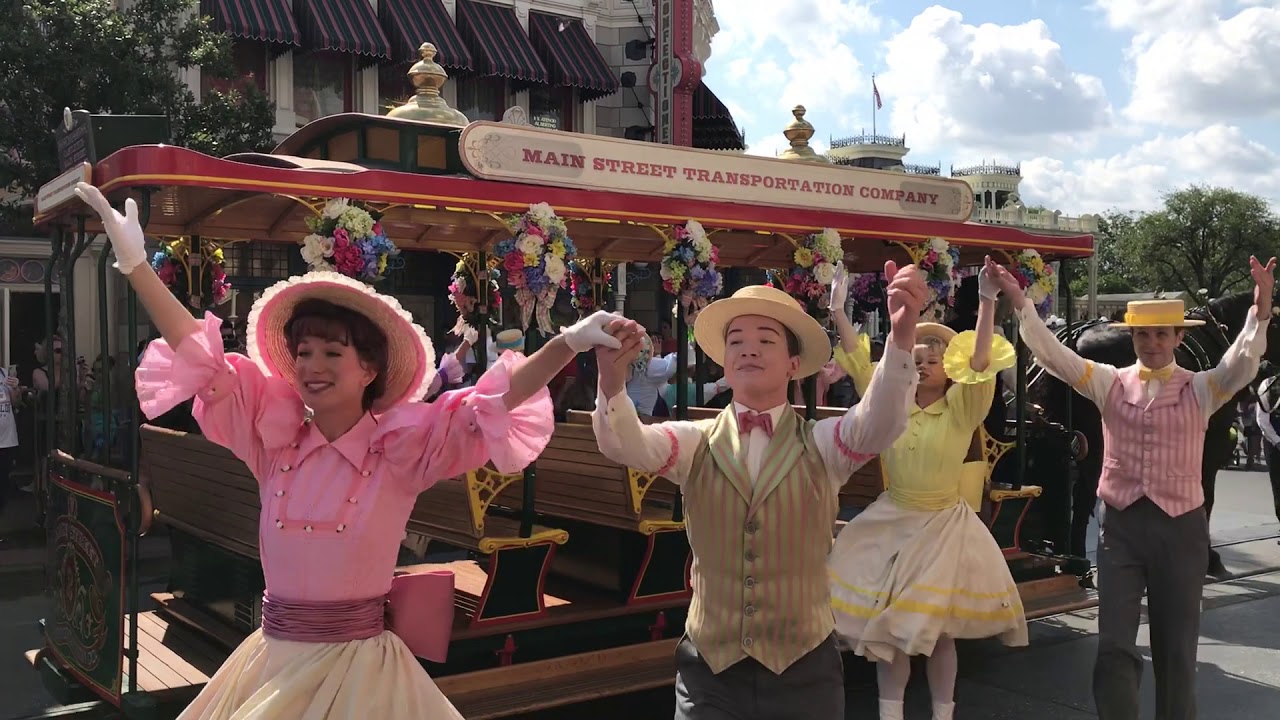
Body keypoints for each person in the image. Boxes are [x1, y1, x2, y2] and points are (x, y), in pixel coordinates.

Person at [74, 181, 626, 720]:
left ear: (369, 368)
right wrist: (137, 268)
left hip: (361, 677)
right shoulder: (275, 443)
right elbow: (200, 356)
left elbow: (497, 398)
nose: (312, 366)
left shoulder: (403, 451)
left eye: (332, 353)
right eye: (304, 351)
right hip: (272, 662)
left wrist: (567, 341)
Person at [592, 260, 927, 720]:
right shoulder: (694, 443)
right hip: (710, 669)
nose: (748, 350)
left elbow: (881, 421)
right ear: (725, 362)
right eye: (737, 342)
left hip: (803, 669)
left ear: (793, 363)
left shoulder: (824, 445)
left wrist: (902, 335)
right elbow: (625, 444)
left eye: (765, 341)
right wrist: (611, 382)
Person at [985, 254, 1275, 720]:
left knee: (1176, 649)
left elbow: (1241, 363)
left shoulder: (1202, 388)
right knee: (1115, 645)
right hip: (1120, 529)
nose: (1152, 342)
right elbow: (1052, 356)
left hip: (1181, 530)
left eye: (1162, 334)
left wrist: (1260, 311)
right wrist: (1019, 300)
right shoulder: (1109, 382)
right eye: (1143, 334)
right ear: (1132, 338)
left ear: (1179, 338)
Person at [827, 263, 1027, 720]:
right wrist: (839, 311)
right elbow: (862, 365)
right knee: (888, 632)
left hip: (941, 527)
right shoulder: (894, 405)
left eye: (933, 359)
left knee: (939, 633)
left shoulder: (962, 408)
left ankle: (943, 715)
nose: (922, 365)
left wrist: (987, 301)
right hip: (893, 520)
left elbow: (979, 366)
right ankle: (891, 715)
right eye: (915, 360)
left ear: (948, 369)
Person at [1254, 375, 1280, 530]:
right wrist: (1277, 441)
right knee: (1278, 485)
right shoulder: (1269, 385)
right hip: (1274, 443)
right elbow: (1262, 419)